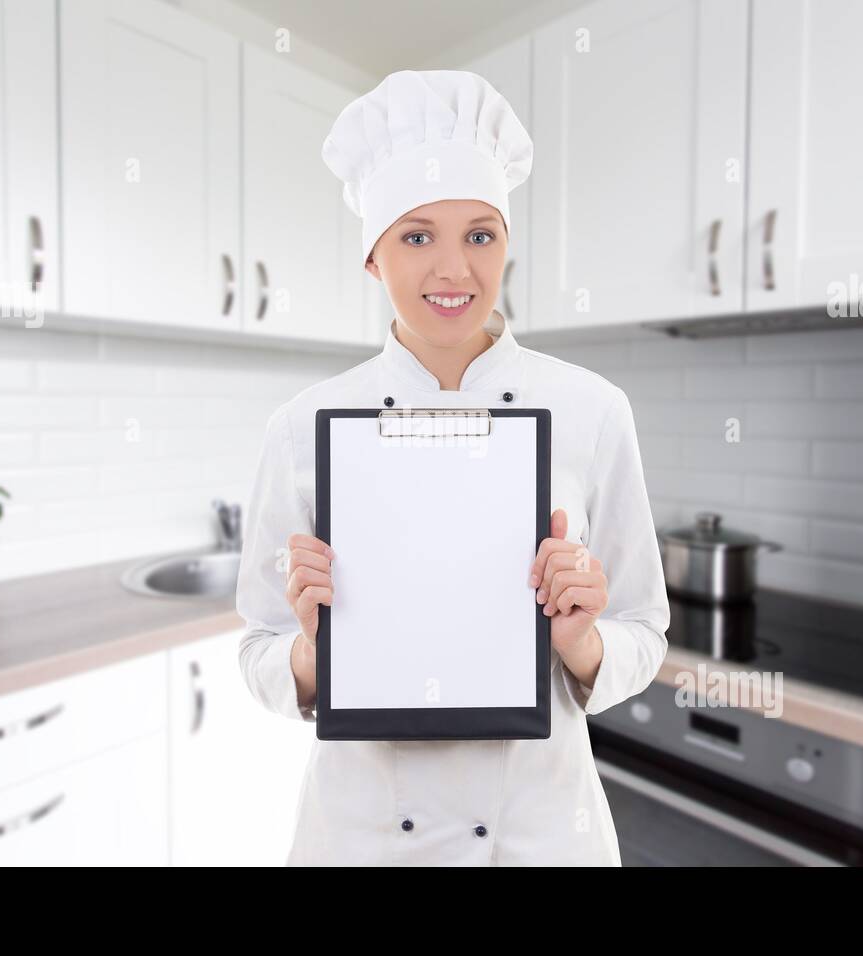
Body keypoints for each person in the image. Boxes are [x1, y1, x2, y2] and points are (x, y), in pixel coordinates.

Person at [235, 70, 670, 866]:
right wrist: (311, 651)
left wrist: (580, 642)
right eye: (415, 236)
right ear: (372, 257)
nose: (453, 270)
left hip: (540, 834)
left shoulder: (593, 411)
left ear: (506, 244)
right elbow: (258, 648)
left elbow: (643, 632)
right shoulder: (301, 430)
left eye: (480, 235)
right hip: (361, 837)